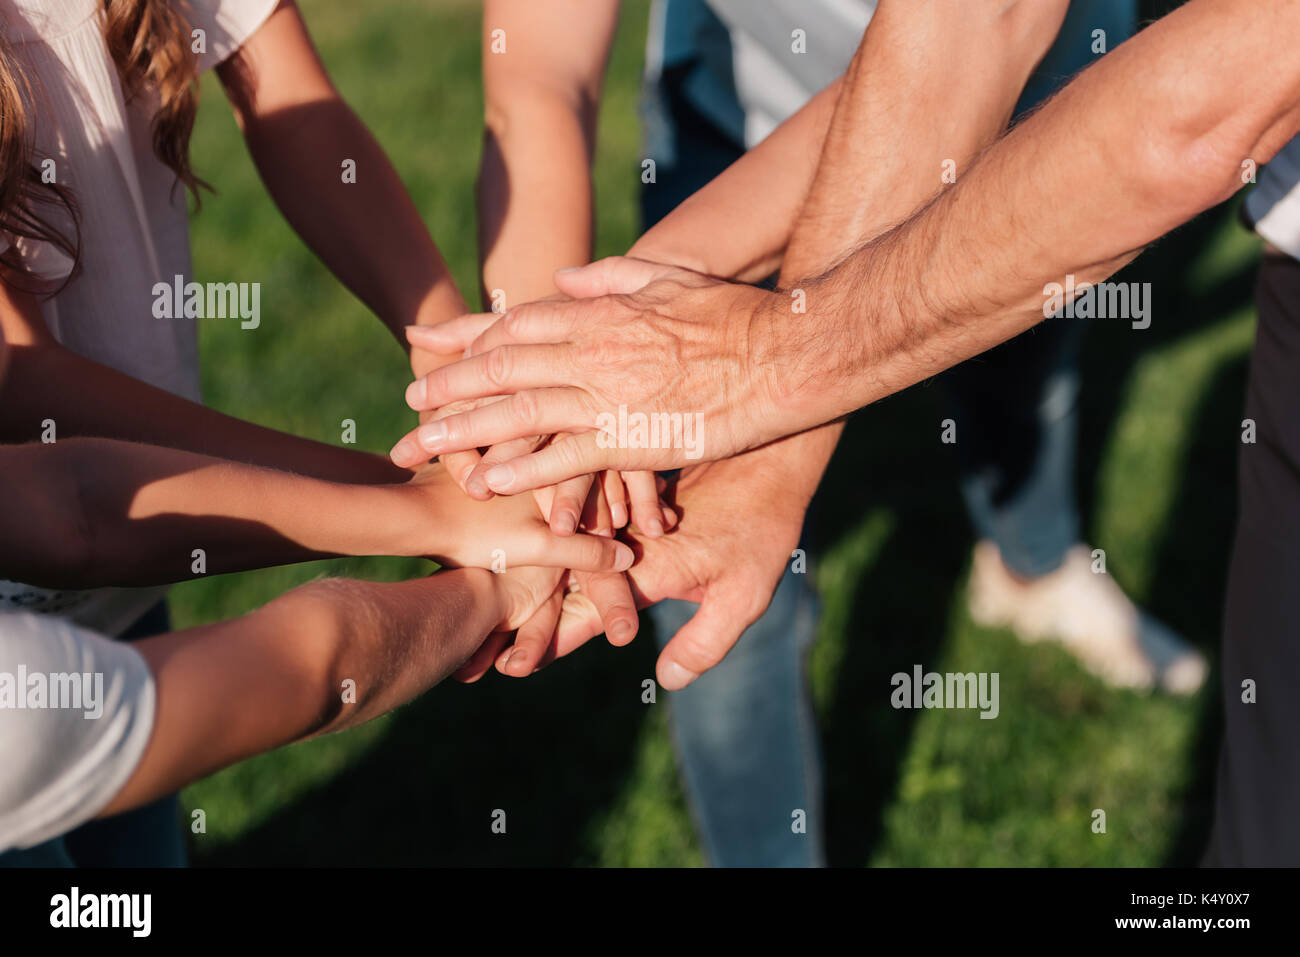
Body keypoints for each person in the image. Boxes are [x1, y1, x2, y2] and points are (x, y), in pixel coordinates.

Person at [397, 0, 1300, 863]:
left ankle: (1032, 561)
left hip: (1059, 96)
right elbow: (542, 80)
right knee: (700, 538)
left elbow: (1183, 106)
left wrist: (755, 365)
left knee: (1019, 340)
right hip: (777, 102)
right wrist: (569, 372)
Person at [0, 0, 637, 865]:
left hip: (131, 573)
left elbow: (290, 101)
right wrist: (425, 503)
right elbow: (34, 411)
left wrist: (476, 389)